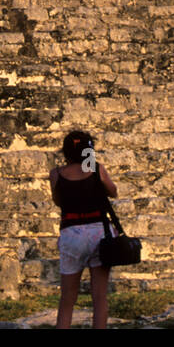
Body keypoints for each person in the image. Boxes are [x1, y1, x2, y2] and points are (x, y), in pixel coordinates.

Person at [49, 129, 118, 329]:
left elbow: (58, 201)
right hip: (98, 231)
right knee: (99, 297)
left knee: (67, 299)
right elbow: (113, 192)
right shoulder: (96, 169)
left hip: (72, 232)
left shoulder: (56, 174)